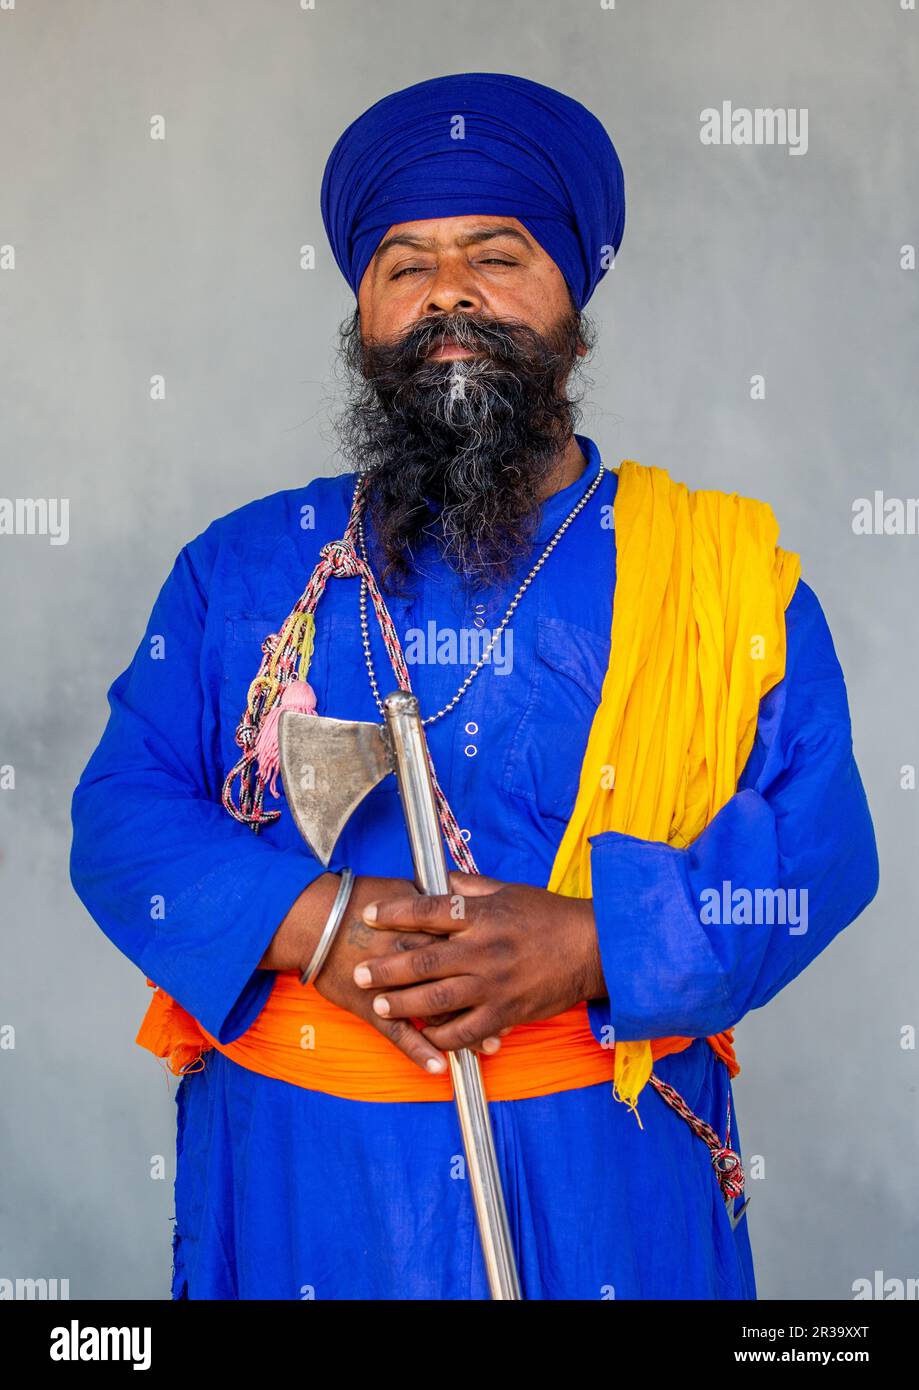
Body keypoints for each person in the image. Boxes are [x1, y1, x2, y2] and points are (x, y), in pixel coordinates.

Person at [70, 72, 879, 1301]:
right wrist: (317, 925)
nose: (448, 290)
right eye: (405, 265)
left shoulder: (720, 582)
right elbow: (121, 818)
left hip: (609, 1184)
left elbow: (818, 851)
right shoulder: (241, 568)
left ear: (574, 307)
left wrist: (590, 941)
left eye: (495, 254)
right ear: (363, 315)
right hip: (305, 1185)